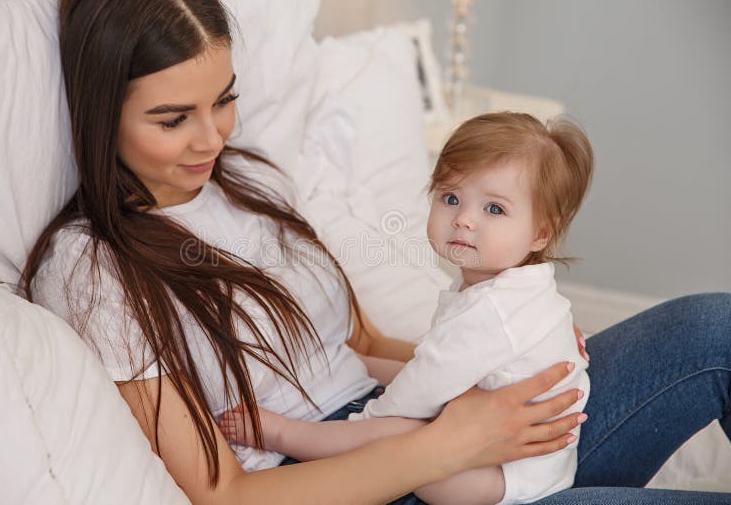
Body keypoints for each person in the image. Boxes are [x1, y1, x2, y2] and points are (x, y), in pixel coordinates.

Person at [19, 0, 731, 503]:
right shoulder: (91, 266)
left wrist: (512, 346)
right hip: (360, 479)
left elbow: (360, 345)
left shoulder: (252, 180)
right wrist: (445, 446)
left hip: (422, 419)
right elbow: (225, 494)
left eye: (225, 99)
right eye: (173, 119)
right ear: (99, 113)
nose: (212, 138)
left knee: (715, 330)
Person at [219, 112, 594, 505]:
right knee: (419, 386)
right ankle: (353, 367)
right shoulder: (521, 289)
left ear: (540, 233)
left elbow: (419, 391)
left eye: (494, 209)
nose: (464, 219)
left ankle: (282, 433)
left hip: (504, 478)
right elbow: (436, 367)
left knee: (397, 432)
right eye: (450, 198)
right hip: (538, 457)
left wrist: (371, 418)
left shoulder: (491, 311)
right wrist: (359, 362)